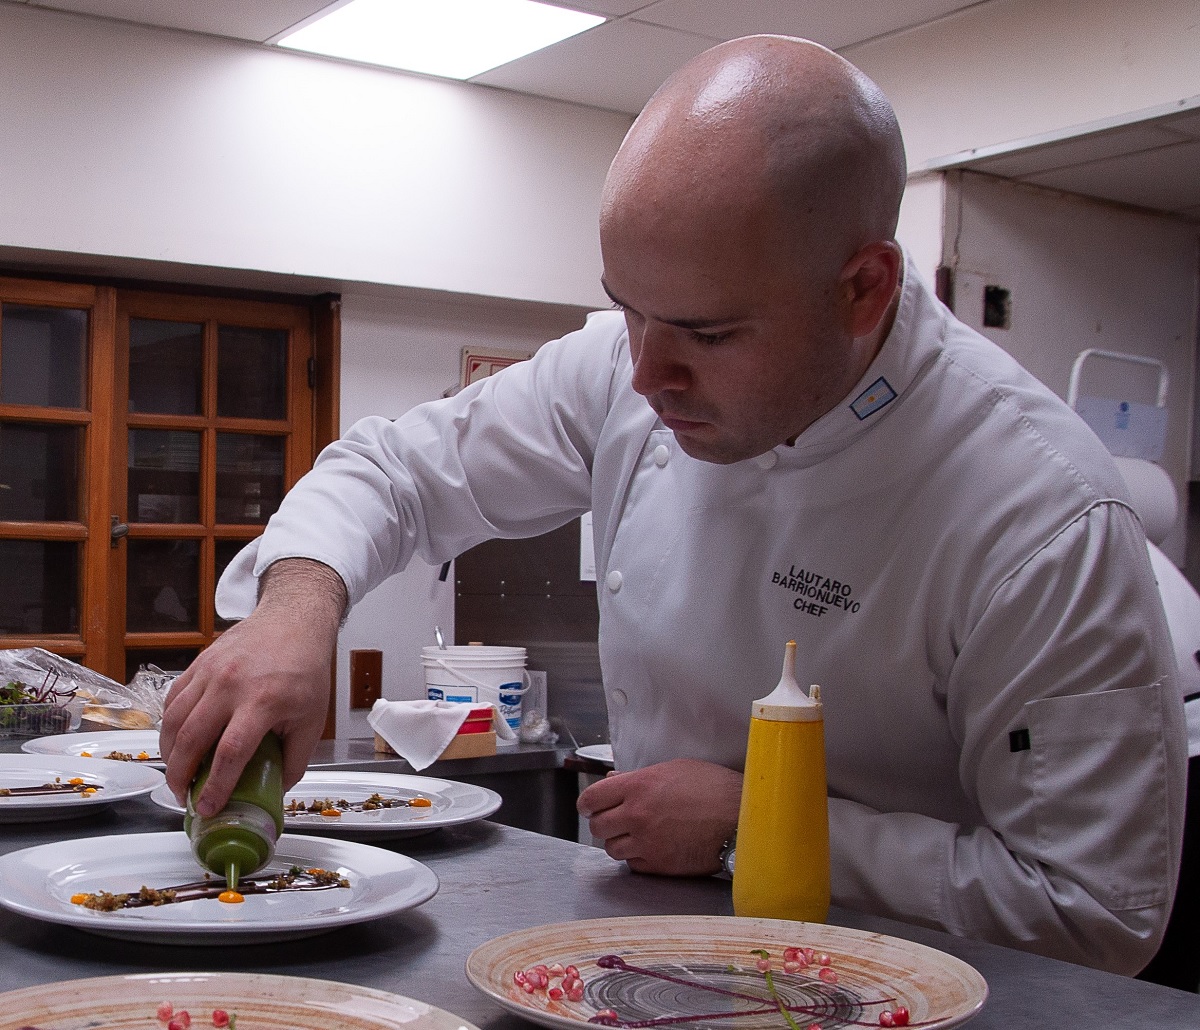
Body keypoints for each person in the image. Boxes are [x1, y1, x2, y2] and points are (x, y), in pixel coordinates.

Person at [161, 35, 1186, 975]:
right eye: (627, 308)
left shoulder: (1038, 514)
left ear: (863, 289)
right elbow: (397, 469)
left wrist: (763, 826)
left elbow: (1094, 908)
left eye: (710, 331)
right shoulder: (625, 368)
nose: (650, 376)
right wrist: (298, 609)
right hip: (654, 962)